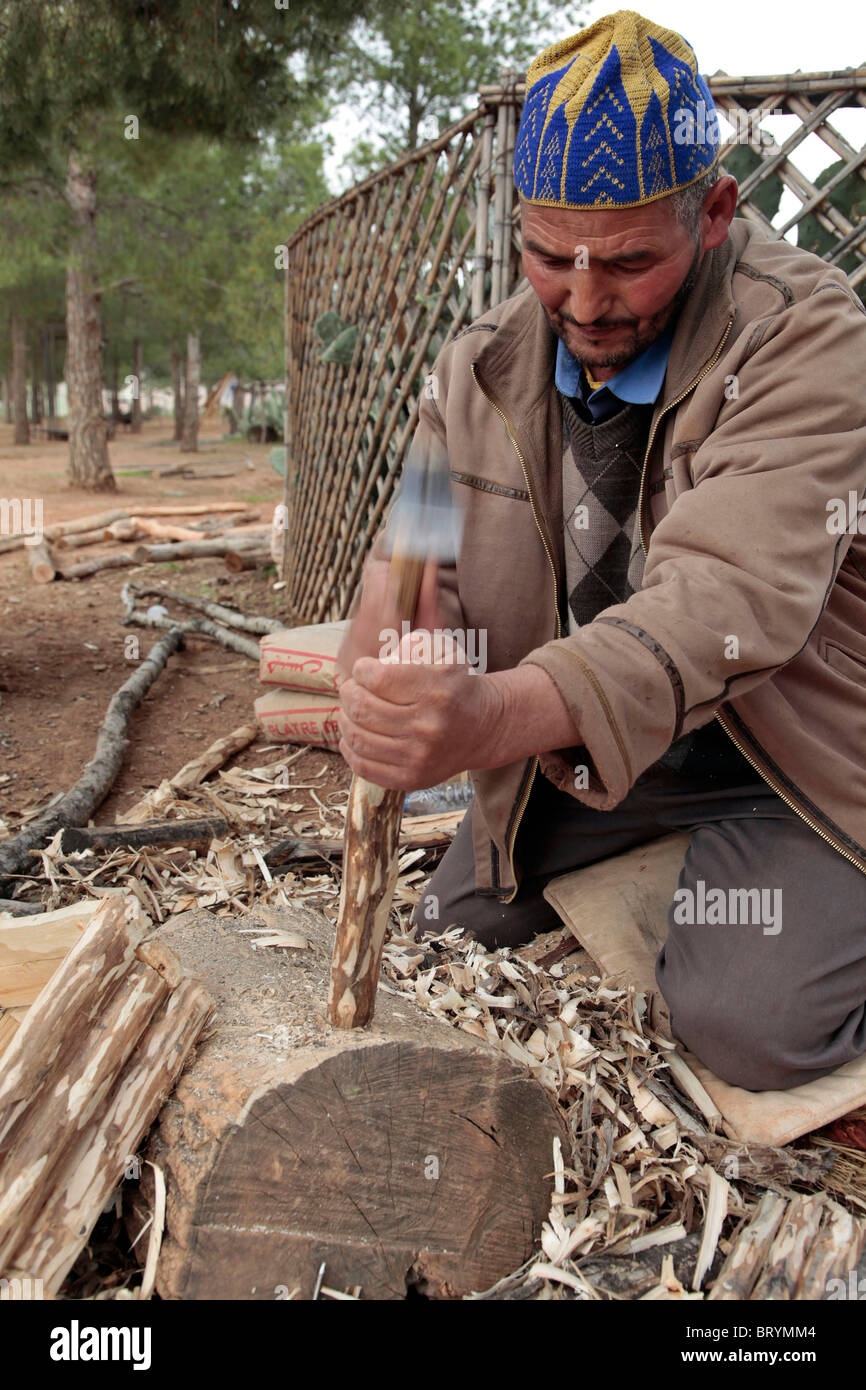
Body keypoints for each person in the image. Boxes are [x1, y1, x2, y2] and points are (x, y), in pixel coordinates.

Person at [337, 10, 866, 1093]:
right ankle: (683, 868)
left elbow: (719, 600)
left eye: (628, 265)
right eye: (547, 258)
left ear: (714, 211)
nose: (583, 304)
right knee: (448, 943)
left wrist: (483, 717)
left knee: (748, 1025)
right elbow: (410, 567)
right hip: (604, 751)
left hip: (797, 755)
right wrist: (393, 666)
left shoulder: (807, 335)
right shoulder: (473, 371)